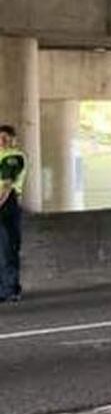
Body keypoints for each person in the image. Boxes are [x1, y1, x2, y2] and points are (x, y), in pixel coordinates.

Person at [0, 124, 24, 303]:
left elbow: (7, 185)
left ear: (12, 140)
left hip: (6, 204)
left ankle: (10, 289)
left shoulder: (13, 157)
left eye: (5, 138)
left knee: (8, 248)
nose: (2, 142)